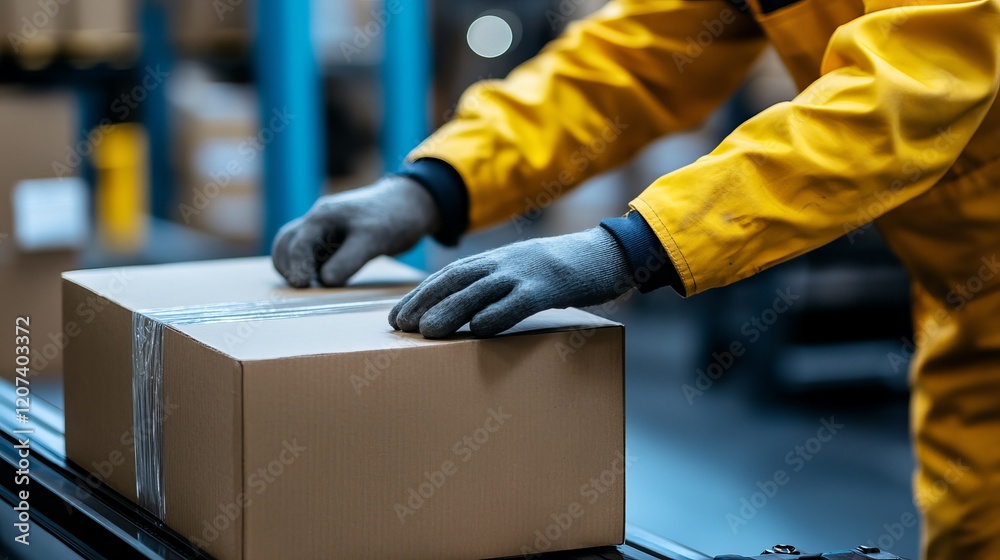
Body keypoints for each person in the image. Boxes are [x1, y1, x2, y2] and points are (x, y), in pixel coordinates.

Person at [271, 0, 1000, 557]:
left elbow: (905, 95)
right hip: (966, 293)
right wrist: (435, 184)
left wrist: (635, 246)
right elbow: (629, 63)